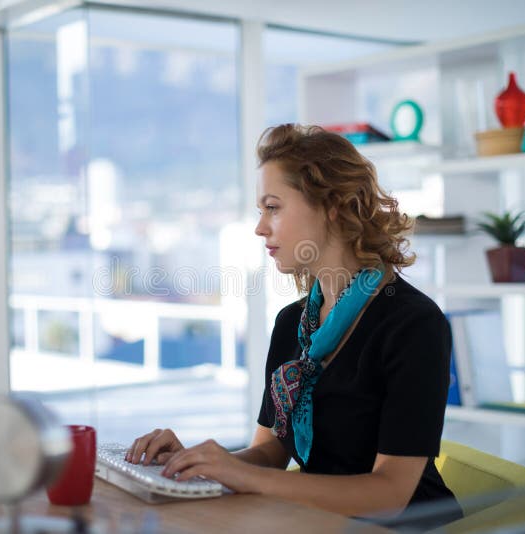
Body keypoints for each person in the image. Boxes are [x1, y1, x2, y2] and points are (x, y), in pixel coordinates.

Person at [126, 124, 462, 524]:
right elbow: (270, 452)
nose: (260, 227)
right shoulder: (292, 324)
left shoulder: (413, 326)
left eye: (273, 207)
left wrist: (243, 475)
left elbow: (390, 492)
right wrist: (196, 465)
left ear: (332, 205)